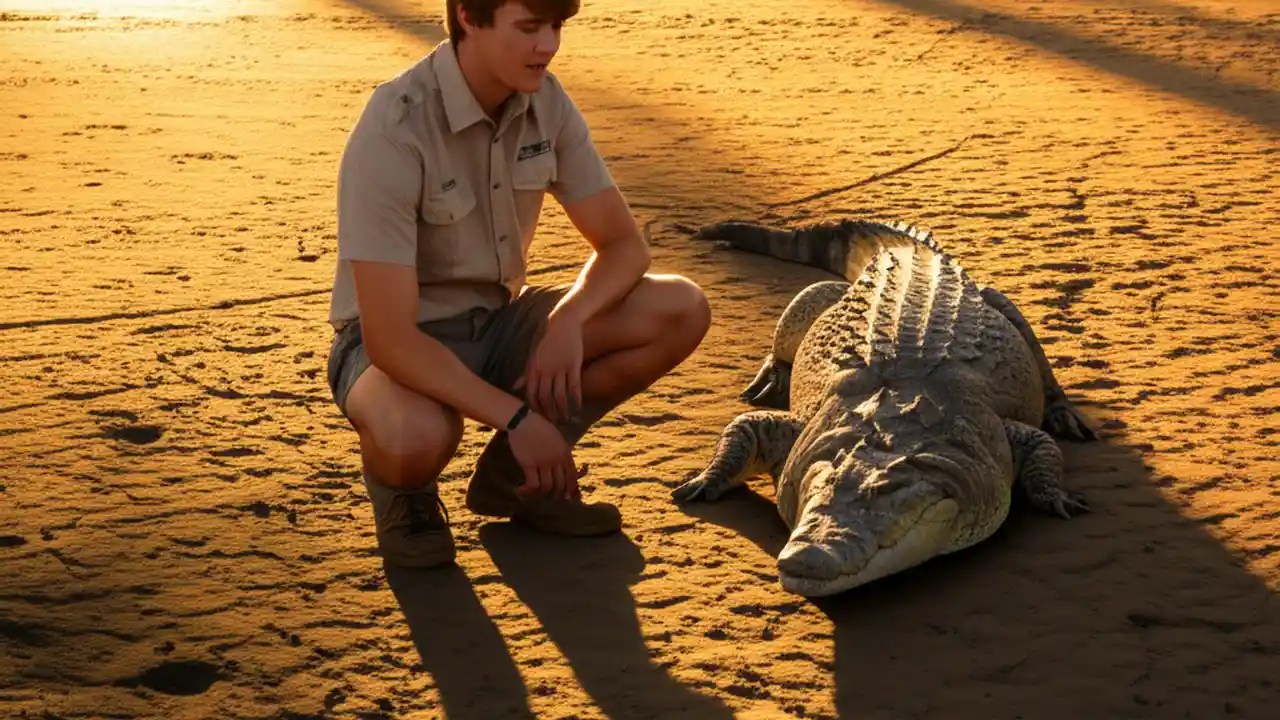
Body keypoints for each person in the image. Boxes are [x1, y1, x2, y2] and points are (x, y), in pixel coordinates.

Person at [325, 0, 711, 568]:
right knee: (414, 440)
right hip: (397, 348)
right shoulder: (396, 123)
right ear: (469, 19)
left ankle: (516, 480)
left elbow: (624, 246)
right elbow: (389, 339)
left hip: (501, 324)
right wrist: (520, 417)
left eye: (556, 26)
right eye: (529, 28)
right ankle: (407, 499)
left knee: (680, 308)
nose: (548, 45)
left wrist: (569, 320)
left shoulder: (545, 101)